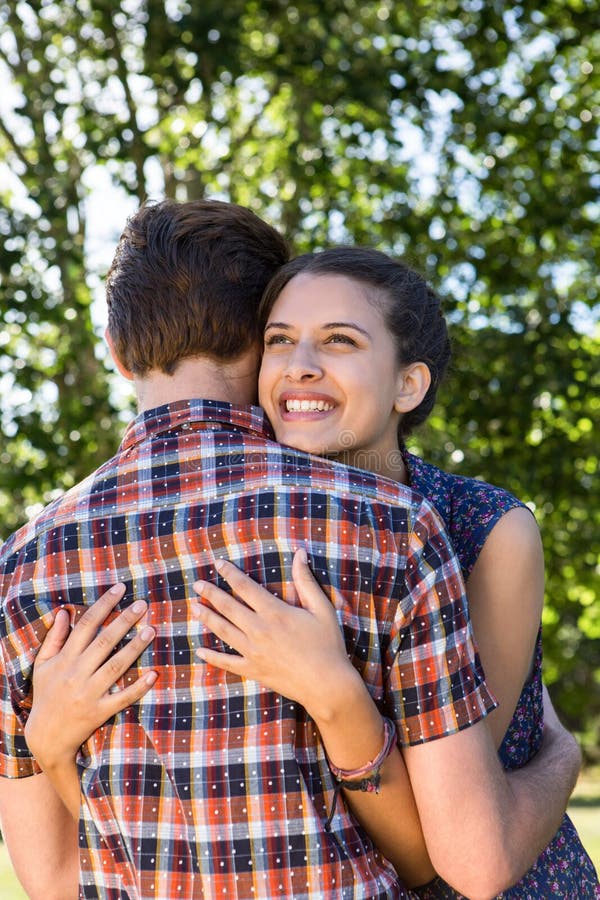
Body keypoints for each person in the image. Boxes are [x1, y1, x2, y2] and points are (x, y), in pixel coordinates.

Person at [0, 201, 584, 900]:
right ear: (257, 347)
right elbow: (444, 855)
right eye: (283, 339)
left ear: (117, 351)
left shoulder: (24, 567)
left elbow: (56, 884)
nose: (303, 365)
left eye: (337, 340)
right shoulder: (393, 528)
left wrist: (43, 750)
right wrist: (563, 754)